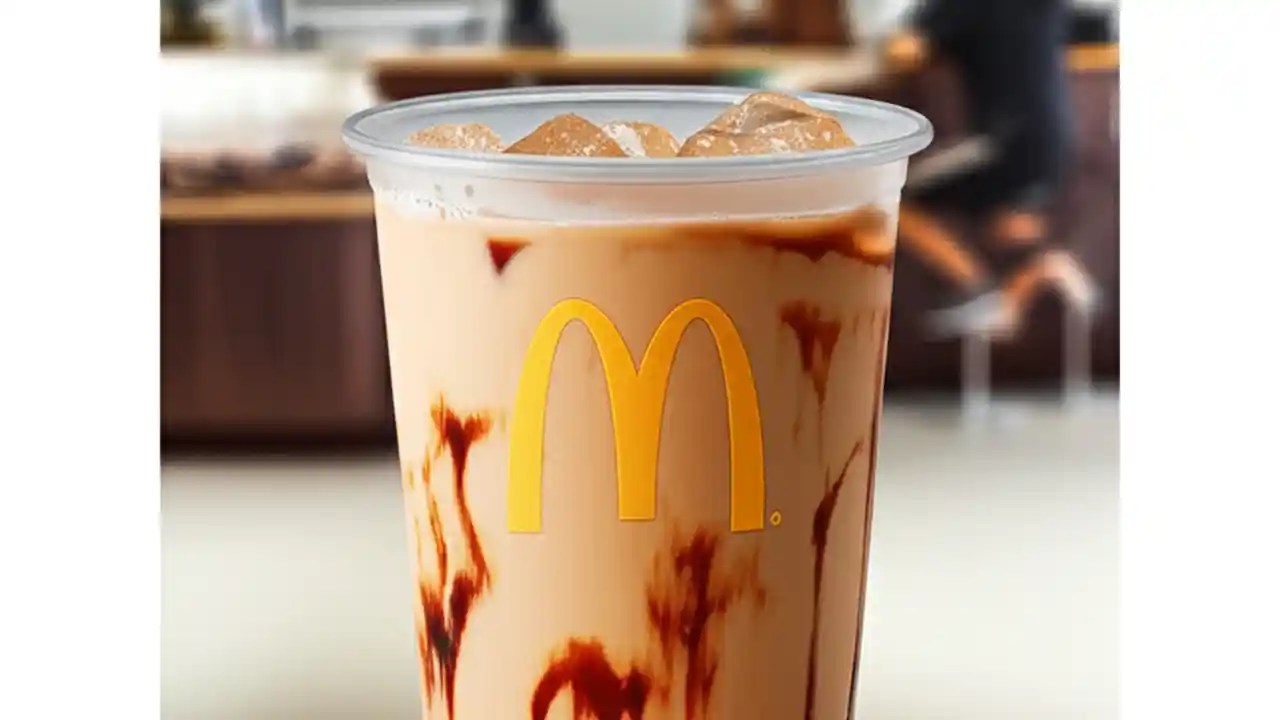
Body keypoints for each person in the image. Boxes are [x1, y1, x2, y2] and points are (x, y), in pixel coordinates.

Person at [884, 0, 1096, 336]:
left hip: (1005, 145)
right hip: (1058, 148)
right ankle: (1046, 267)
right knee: (1003, 222)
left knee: (891, 195)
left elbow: (902, 51)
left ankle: (979, 289)